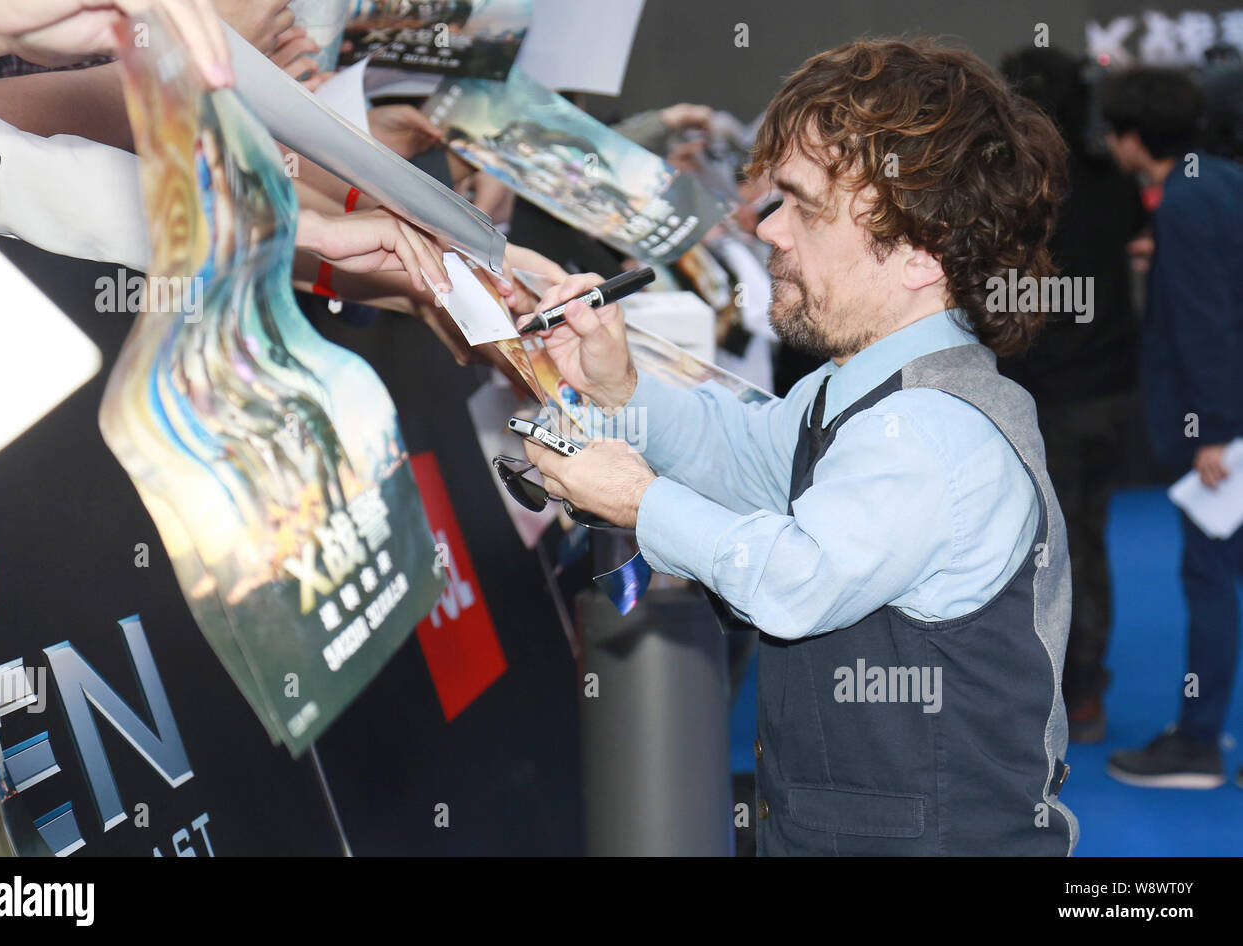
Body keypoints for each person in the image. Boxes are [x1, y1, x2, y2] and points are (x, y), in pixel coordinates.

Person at [519, 38, 1077, 855]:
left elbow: (795, 579)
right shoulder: (853, 387)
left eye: (803, 206)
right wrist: (619, 389)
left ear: (922, 251)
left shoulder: (931, 429)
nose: (766, 226)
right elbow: (745, 457)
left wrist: (639, 501)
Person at [998, 46, 1146, 743]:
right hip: (1110, 393)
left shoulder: (1008, 191)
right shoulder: (1113, 182)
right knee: (1085, 542)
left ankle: (1042, 692)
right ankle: (1081, 692)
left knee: (1030, 550)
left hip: (1036, 402)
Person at [1101, 68, 1243, 789]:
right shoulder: (1217, 179)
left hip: (1226, 431)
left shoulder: (1185, 202)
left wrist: (1214, 432)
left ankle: (1196, 744)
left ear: (1130, 139)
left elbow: (1208, 325)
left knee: (1210, 579)